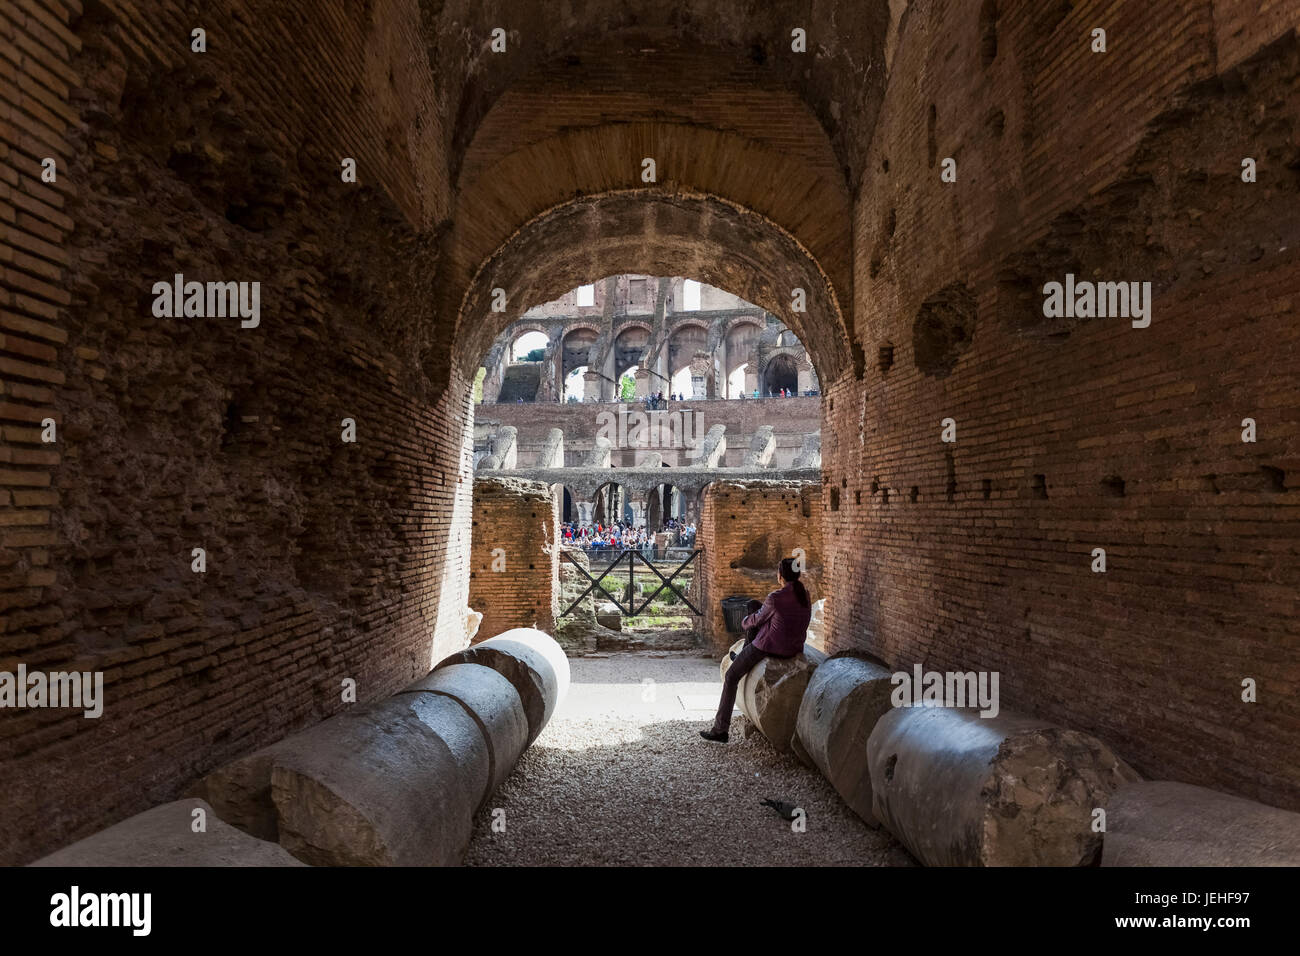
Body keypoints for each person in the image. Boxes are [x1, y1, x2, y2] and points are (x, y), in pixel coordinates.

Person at [700, 557, 811, 742]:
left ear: (780, 576)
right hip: (794, 644)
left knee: (731, 677)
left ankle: (720, 729)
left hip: (772, 646)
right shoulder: (804, 594)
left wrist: (744, 622)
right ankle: (744, 650)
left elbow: (756, 620)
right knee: (753, 604)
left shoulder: (775, 598)